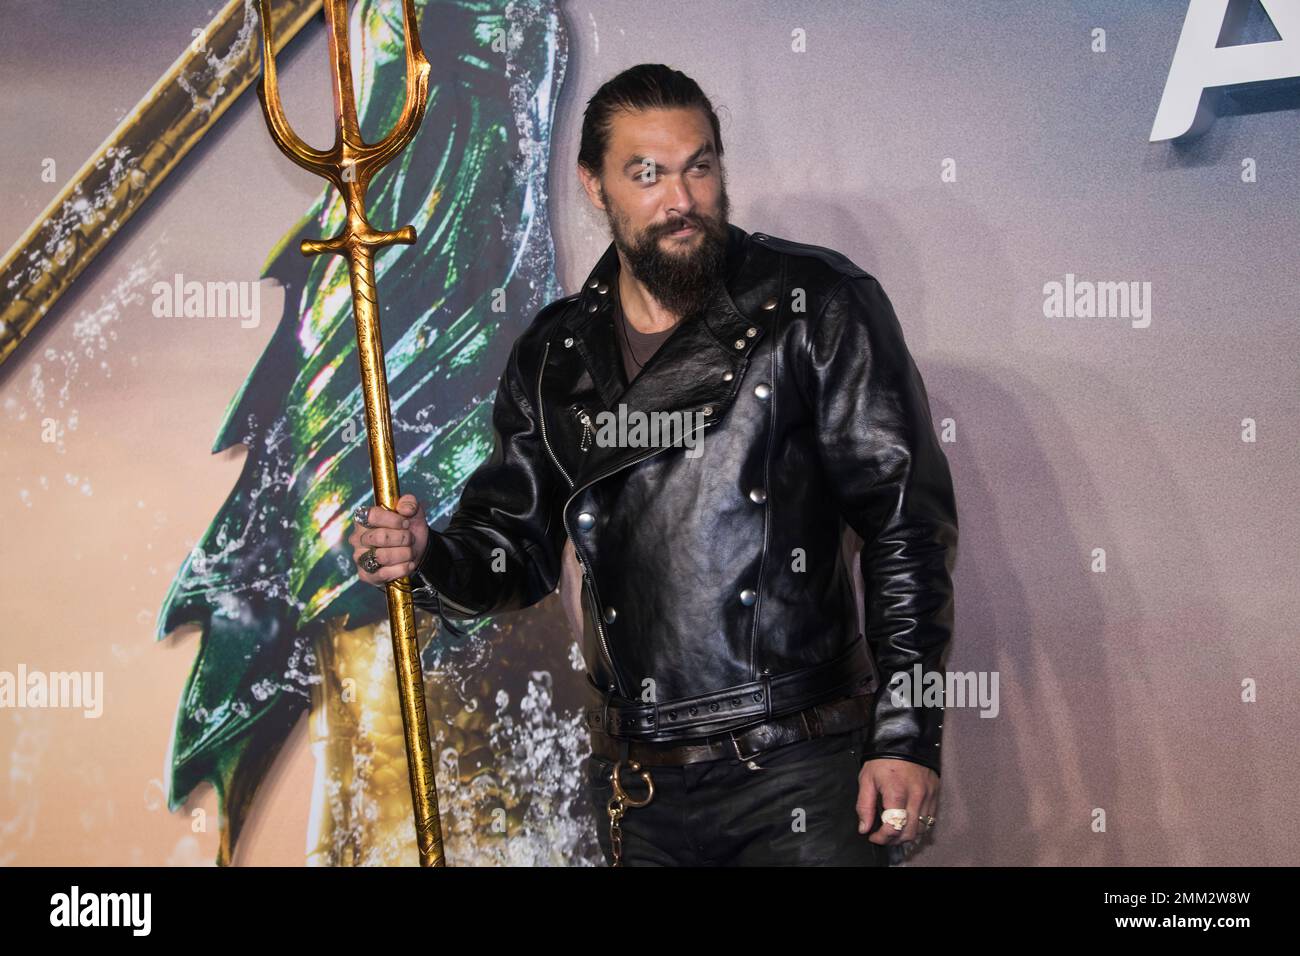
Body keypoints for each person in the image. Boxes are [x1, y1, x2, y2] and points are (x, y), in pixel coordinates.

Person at [350, 63, 958, 866]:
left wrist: (907, 734)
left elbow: (906, 527)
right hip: (638, 789)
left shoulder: (814, 303)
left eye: (698, 167)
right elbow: (514, 549)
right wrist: (425, 557)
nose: (682, 200)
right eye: (647, 174)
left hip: (800, 772)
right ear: (594, 188)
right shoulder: (555, 352)